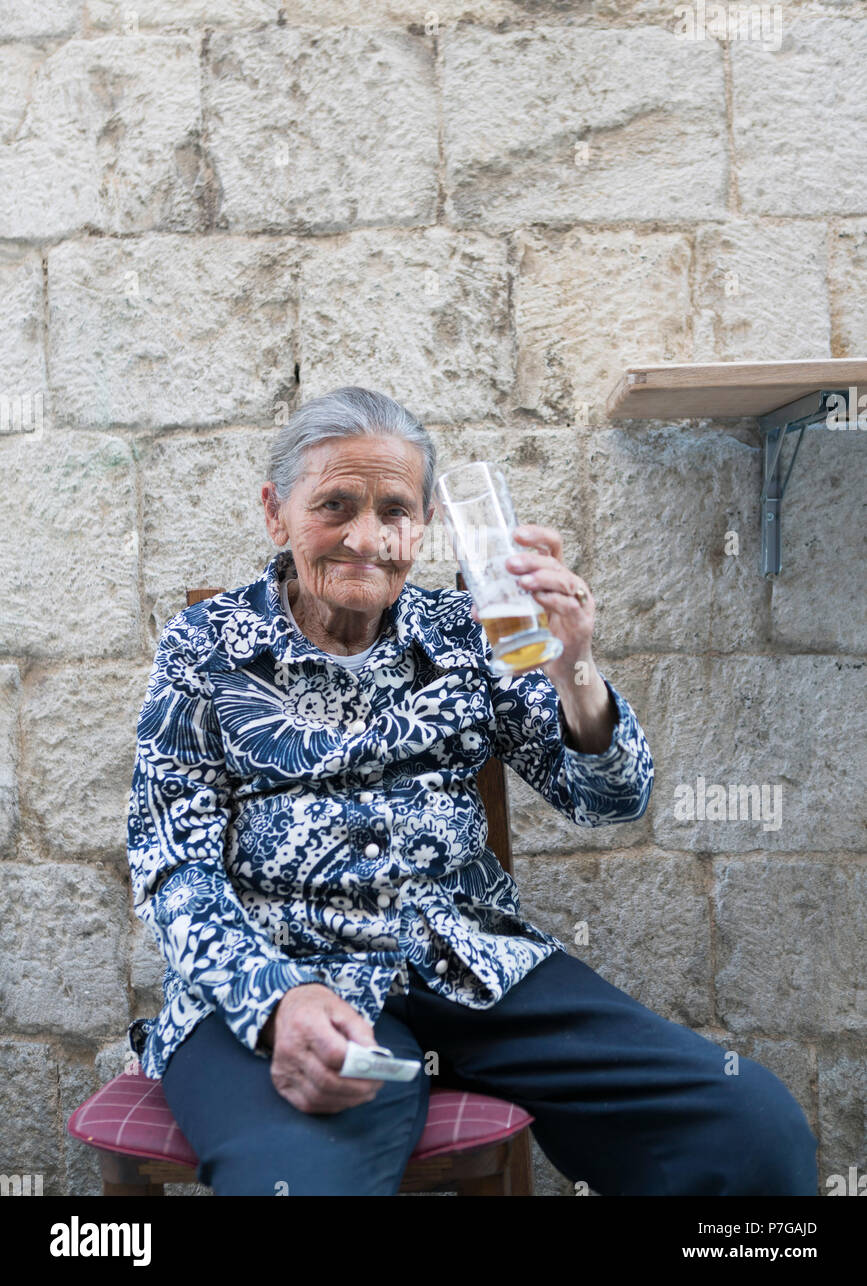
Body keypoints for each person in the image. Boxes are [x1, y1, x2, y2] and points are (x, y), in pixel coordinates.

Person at [126, 384, 818, 1196]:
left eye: (394, 510)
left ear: (423, 525)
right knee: (298, 1180)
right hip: (290, 973)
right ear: (277, 513)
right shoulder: (204, 647)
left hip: (474, 963)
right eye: (335, 506)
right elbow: (174, 867)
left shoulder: (468, 630)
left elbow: (609, 800)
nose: (365, 538)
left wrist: (574, 669)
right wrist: (275, 1002)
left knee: (749, 1128)